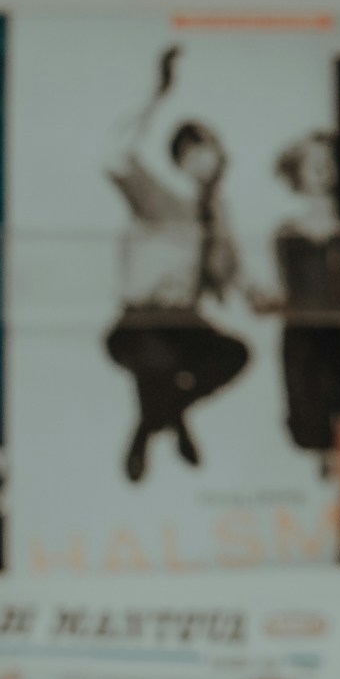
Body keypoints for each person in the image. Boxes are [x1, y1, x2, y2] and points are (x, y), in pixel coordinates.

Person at [104, 46, 250, 483]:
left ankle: (157, 421)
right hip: (142, 319)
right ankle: (156, 430)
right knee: (158, 360)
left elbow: (227, 277)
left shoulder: (217, 213)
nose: (205, 160)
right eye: (194, 153)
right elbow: (114, 152)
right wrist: (157, 94)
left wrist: (219, 220)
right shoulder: (158, 200)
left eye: (211, 151)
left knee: (234, 355)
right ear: (181, 160)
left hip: (186, 321)